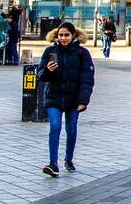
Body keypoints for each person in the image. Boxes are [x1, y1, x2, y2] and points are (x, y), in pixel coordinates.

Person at [39, 21, 94, 177]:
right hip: (54, 97)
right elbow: (40, 76)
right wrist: (47, 71)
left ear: (73, 35)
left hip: (73, 99)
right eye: (61, 35)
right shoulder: (50, 51)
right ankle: (53, 163)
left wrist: (83, 100)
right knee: (55, 127)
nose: (63, 38)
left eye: (66, 35)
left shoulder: (82, 53)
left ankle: (68, 159)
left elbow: (87, 78)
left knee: (71, 129)